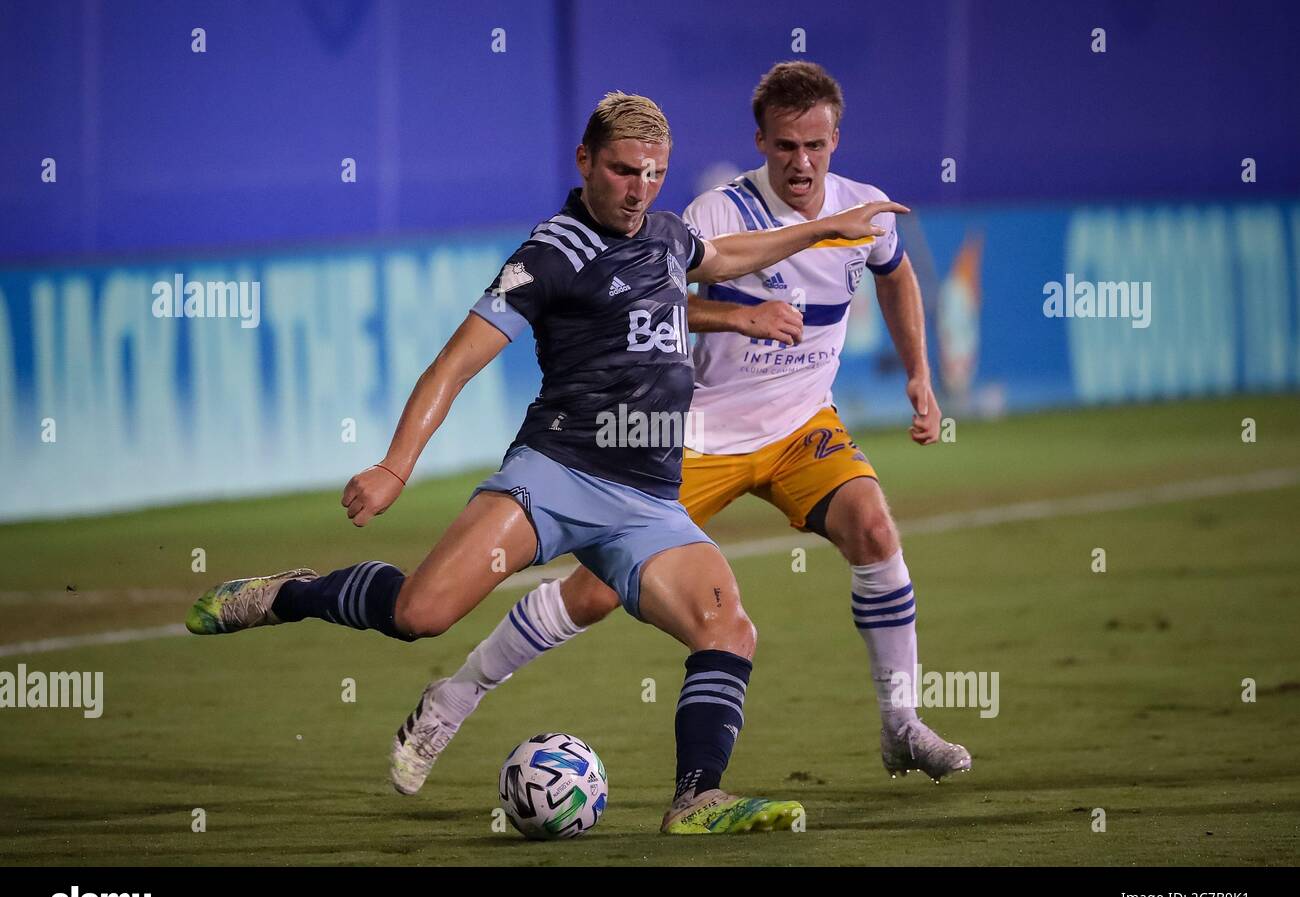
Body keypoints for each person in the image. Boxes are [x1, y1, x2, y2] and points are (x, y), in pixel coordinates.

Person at [185, 90, 907, 835]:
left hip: (651, 499)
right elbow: (453, 366)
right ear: (585, 161)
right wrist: (396, 467)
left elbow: (721, 255)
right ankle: (286, 595)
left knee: (729, 631)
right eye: (625, 171)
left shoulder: (665, 233)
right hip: (555, 477)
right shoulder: (548, 254)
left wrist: (825, 231)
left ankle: (696, 798)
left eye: (654, 174)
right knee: (420, 615)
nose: (639, 190)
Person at [409, 62, 970, 792]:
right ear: (761, 141)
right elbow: (655, 299)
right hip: (698, 432)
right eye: (786, 147)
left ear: (836, 140)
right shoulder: (718, 212)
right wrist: (740, 314)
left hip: (802, 426)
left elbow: (895, 273)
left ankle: (902, 726)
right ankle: (457, 695)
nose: (802, 162)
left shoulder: (861, 211)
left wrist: (919, 373)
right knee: (594, 593)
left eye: (816, 146)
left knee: (874, 530)